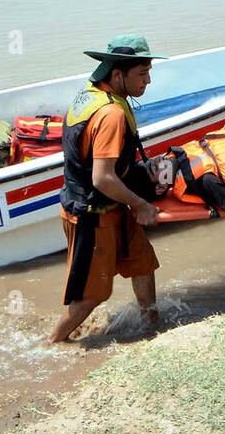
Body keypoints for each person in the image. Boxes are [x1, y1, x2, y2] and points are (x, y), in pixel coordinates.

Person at [49, 35, 167, 342]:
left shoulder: (92, 94)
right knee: (91, 294)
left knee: (142, 261)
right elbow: (102, 178)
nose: (148, 81)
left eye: (148, 72)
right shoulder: (111, 114)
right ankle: (51, 345)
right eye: (142, 74)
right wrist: (141, 204)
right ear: (117, 75)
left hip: (111, 205)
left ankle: (151, 326)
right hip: (91, 214)